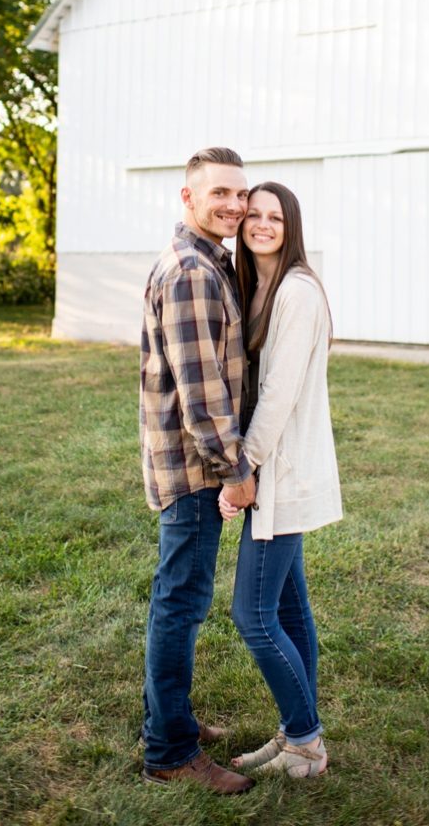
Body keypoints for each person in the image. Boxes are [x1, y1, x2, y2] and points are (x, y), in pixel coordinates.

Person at [139, 146, 257, 794]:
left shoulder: (210, 261)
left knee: (176, 603)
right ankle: (169, 751)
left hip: (189, 465)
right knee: (180, 606)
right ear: (189, 198)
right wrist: (232, 471)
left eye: (239, 194)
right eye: (221, 194)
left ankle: (169, 716)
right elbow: (202, 393)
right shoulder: (190, 270)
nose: (234, 205)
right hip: (194, 472)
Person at [217, 181, 342, 778]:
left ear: (291, 225)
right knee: (291, 612)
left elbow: (278, 396)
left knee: (253, 615)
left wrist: (243, 470)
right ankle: (296, 735)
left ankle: (307, 741)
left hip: (280, 473)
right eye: (254, 216)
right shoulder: (262, 285)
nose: (261, 224)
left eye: (275, 216)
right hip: (278, 469)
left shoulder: (296, 292)